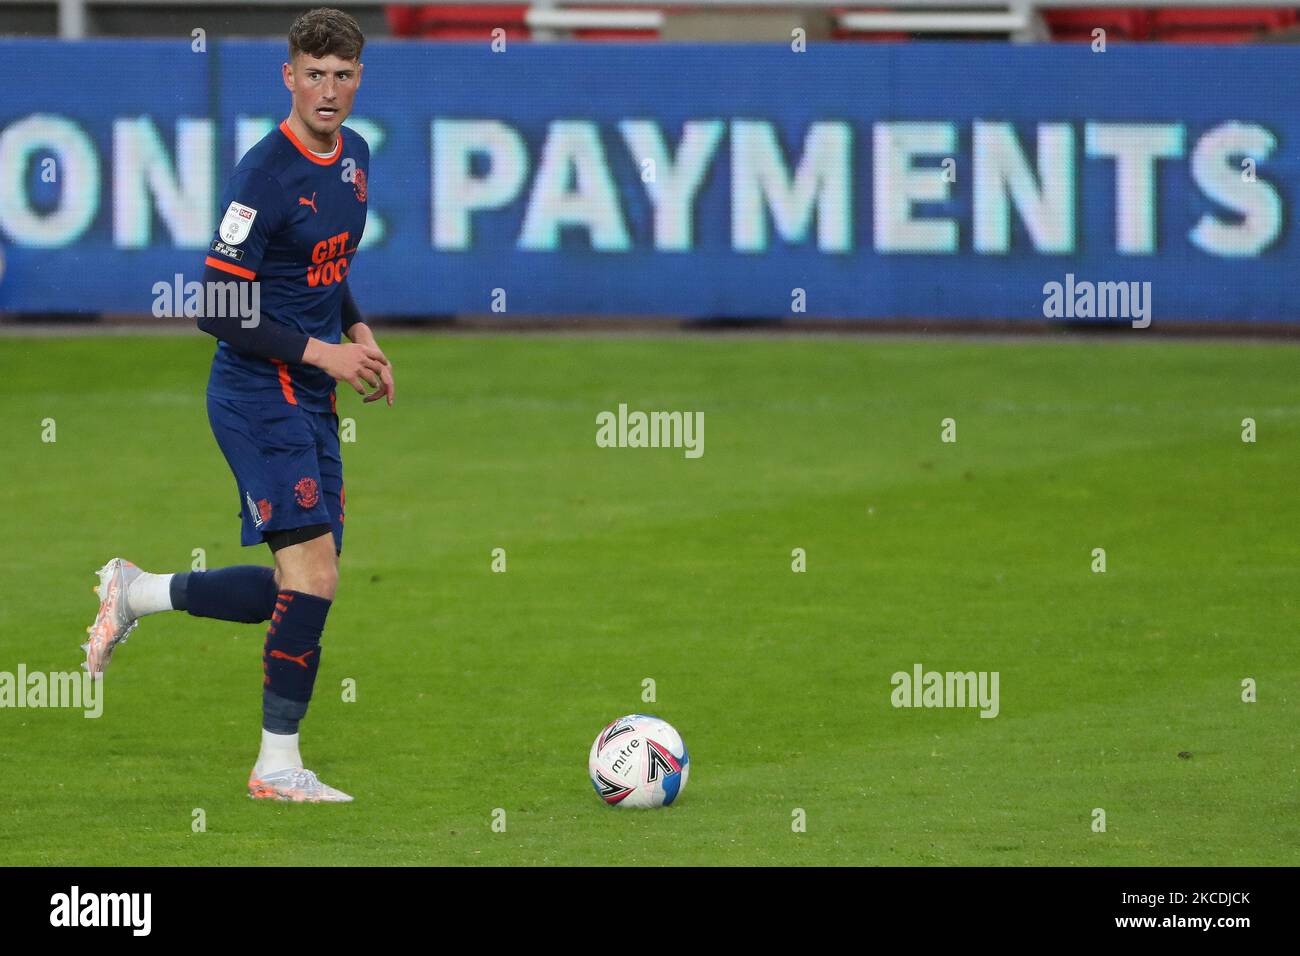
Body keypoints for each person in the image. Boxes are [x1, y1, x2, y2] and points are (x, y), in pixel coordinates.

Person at [84, 7, 393, 803]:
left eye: (343, 76)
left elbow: (324, 265)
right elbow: (217, 309)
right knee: (313, 576)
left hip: (310, 392)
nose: (328, 91)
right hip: (257, 391)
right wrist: (326, 352)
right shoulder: (262, 176)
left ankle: (138, 591)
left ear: (359, 78)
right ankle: (277, 767)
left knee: (304, 587)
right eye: (314, 75)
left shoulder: (355, 157)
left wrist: (357, 330)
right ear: (289, 76)